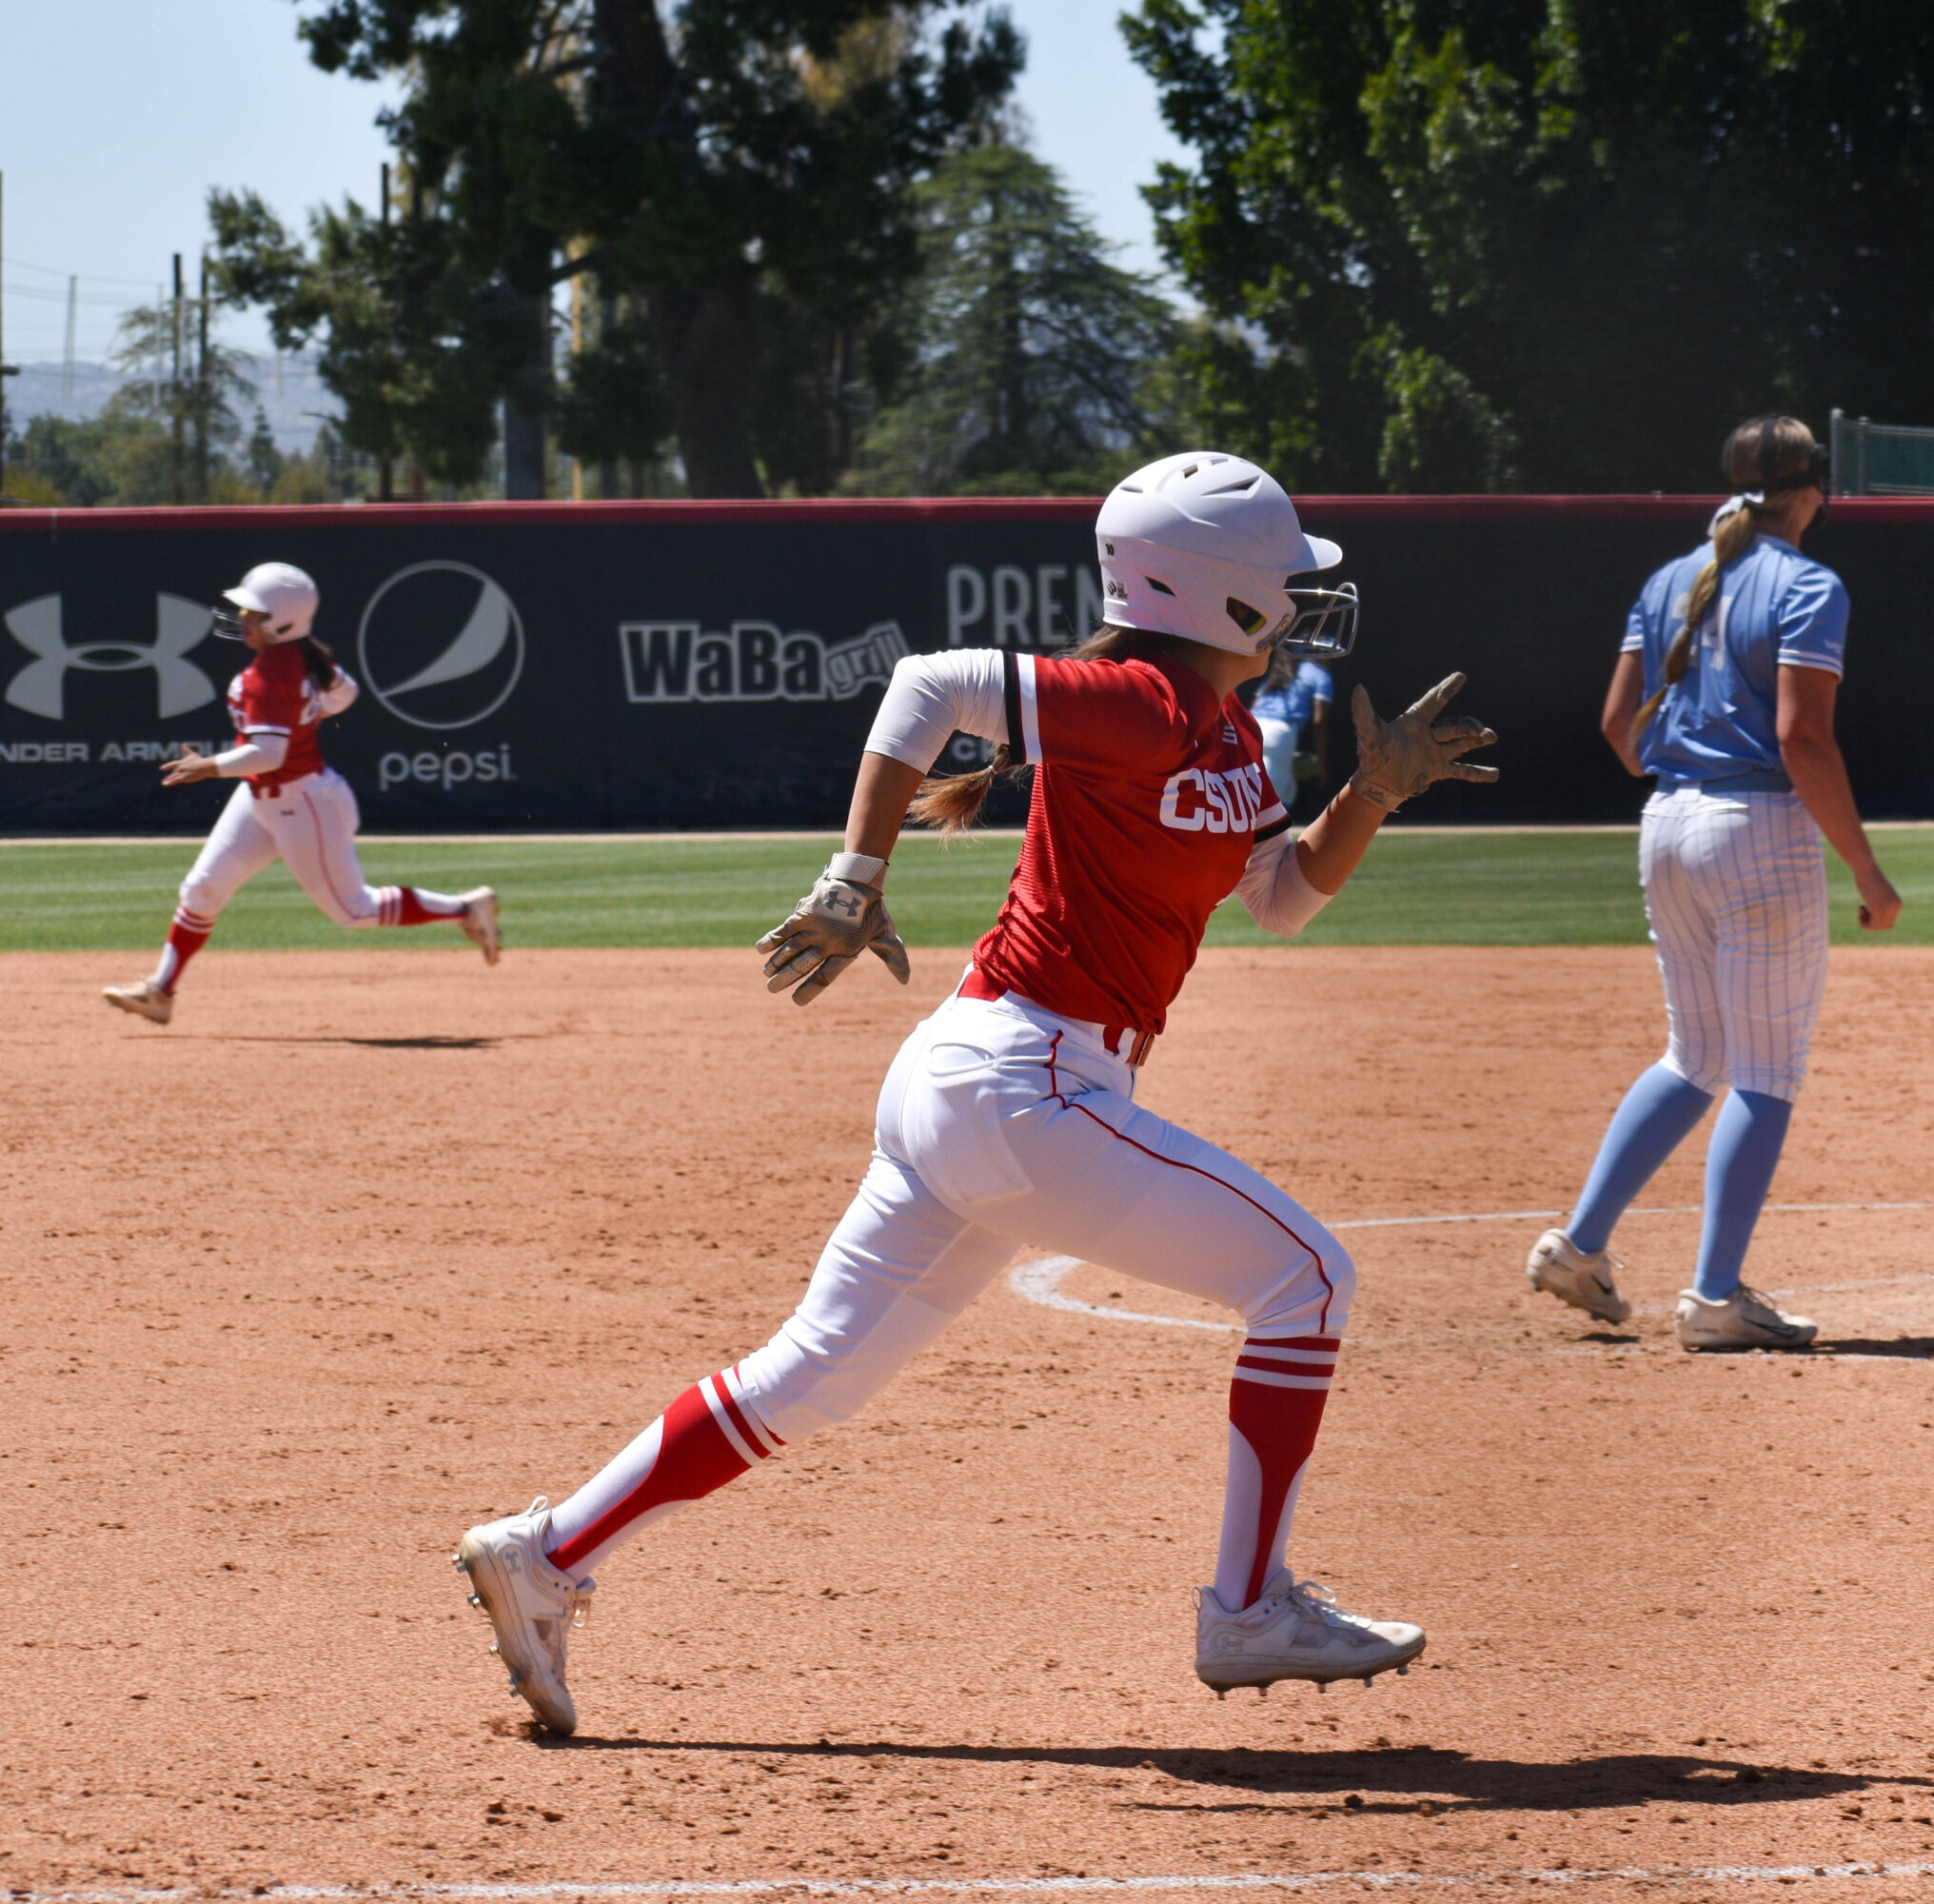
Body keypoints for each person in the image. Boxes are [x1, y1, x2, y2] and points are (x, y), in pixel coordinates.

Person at [454, 451, 1496, 1735]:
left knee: (807, 1380)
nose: (1303, 601)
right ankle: (1247, 1606)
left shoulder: (1228, 731)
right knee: (1311, 1280)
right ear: (1220, 596)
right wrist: (853, 877)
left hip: (989, 1083)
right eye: (1285, 581)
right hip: (1028, 1083)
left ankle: (545, 1553)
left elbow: (1278, 901)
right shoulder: (1136, 698)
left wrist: (1372, 794)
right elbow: (928, 684)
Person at [1524, 416, 1901, 1351]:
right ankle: (1714, 1295)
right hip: (1755, 827)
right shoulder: (1808, 584)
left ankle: (1579, 1244)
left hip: (1666, 821)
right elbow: (1800, 738)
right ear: (1812, 491)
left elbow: (1619, 723)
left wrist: (1685, 775)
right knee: (1764, 1070)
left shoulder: (1666, 581)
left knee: (1695, 1056)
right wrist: (1865, 866)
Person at [100, 563, 500, 1027]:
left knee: (354, 911)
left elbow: (269, 753)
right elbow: (345, 693)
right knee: (203, 889)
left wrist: (208, 766)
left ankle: (466, 909)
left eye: (255, 613)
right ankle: (160, 992)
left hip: (302, 803)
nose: (245, 619)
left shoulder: (270, 673)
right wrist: (309, 710)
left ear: (282, 622)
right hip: (265, 797)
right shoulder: (304, 655)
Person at [1249, 644, 1334, 817]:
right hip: (1281, 733)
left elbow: (1255, 705)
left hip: (1252, 727)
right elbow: (1319, 721)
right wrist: (1321, 761)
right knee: (1268, 805)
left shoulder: (1280, 672)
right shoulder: (1319, 674)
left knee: (1288, 790)